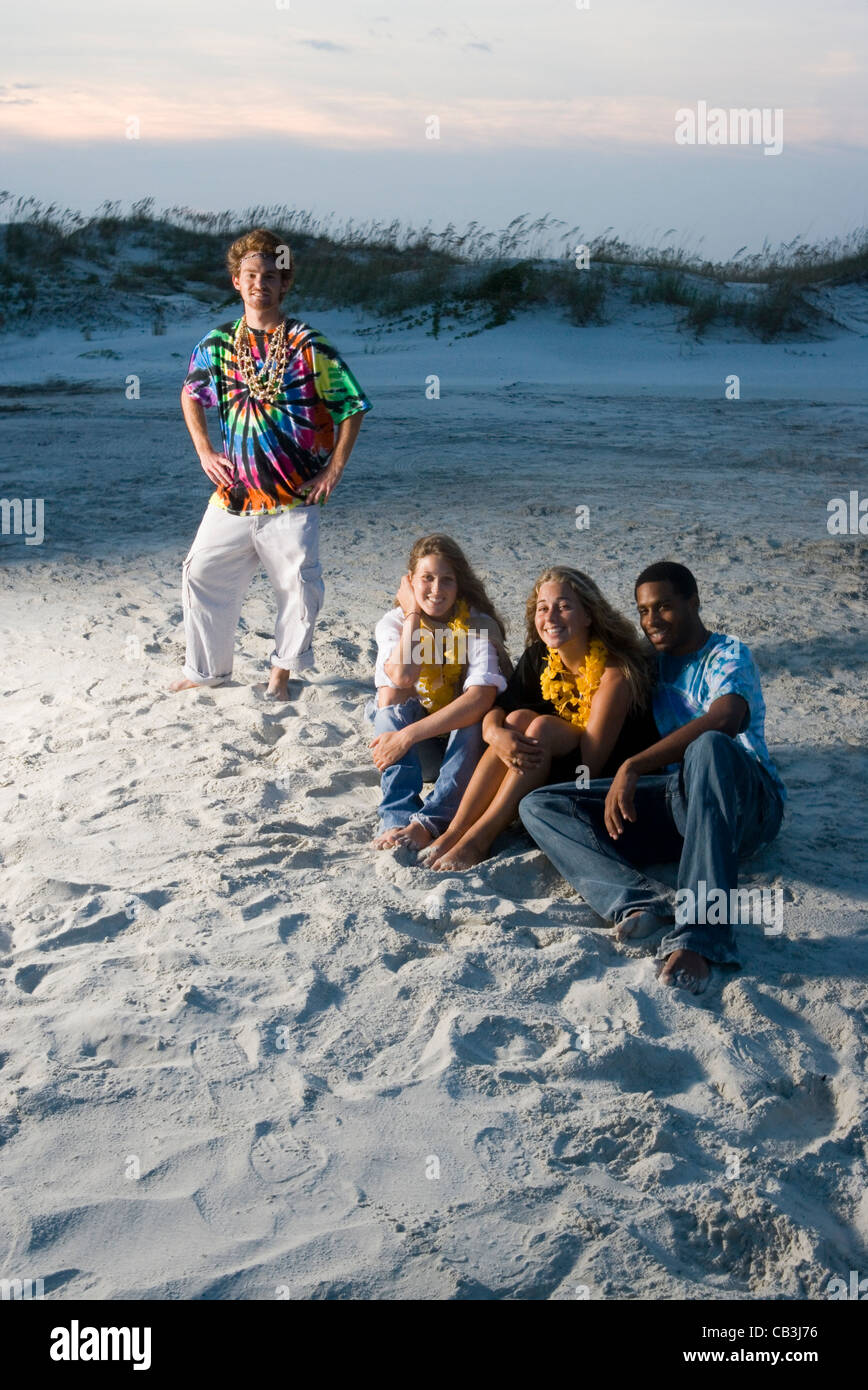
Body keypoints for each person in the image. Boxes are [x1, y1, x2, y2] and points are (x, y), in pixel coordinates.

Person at [519, 561, 786, 996]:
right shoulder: (646, 663)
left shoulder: (727, 653)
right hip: (682, 804)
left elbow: (726, 718)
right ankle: (643, 900)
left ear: (694, 603)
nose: (651, 620)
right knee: (541, 806)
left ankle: (702, 937)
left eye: (663, 607)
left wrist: (634, 765)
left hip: (746, 804)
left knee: (708, 747)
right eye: (643, 611)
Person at [170, 227, 371, 699]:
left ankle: (281, 672)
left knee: (299, 587)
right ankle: (207, 670)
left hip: (293, 493)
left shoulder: (307, 344)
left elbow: (352, 405)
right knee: (201, 572)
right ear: (236, 282)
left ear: (284, 284)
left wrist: (334, 469)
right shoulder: (217, 343)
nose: (260, 283)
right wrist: (204, 450)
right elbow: (190, 392)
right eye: (250, 274)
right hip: (235, 493)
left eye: (270, 275)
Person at [424, 567, 657, 871]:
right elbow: (501, 709)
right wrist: (495, 733)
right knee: (517, 718)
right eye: (543, 608)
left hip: (593, 783)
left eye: (564, 606)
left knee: (541, 726)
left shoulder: (614, 675)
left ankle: (478, 840)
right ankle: (455, 832)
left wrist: (535, 750)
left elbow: (591, 765)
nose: (551, 617)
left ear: (589, 615)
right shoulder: (541, 657)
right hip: (536, 767)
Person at [368, 535, 510, 851]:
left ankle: (430, 822)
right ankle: (396, 818)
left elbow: (481, 699)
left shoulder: (477, 624)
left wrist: (406, 737)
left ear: (460, 585)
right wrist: (412, 616)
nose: (436, 589)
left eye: (447, 580)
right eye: (427, 578)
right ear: (409, 582)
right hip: (421, 754)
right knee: (390, 700)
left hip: (467, 749)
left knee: (473, 713)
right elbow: (404, 675)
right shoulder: (393, 624)